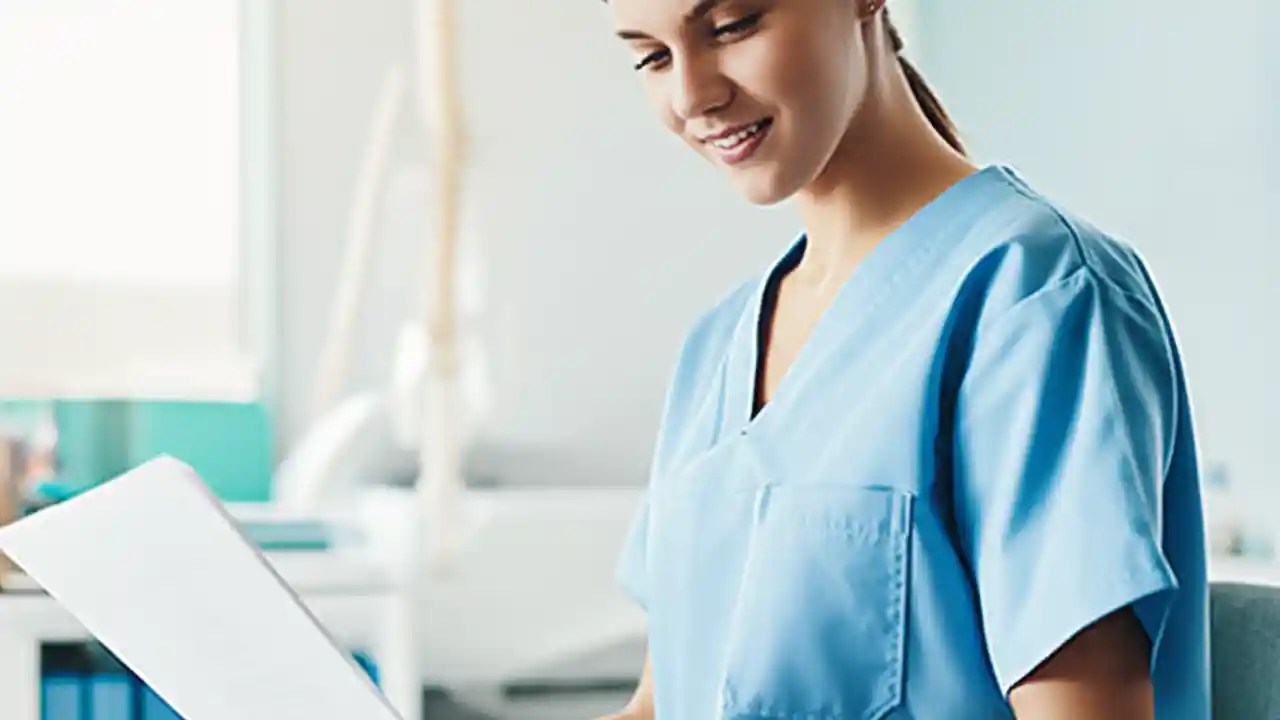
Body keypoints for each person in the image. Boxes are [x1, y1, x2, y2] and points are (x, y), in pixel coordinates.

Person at [596, 0, 1209, 718]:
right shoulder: (716, 346)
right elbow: (662, 700)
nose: (692, 95)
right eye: (652, 58)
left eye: (732, 27)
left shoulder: (1036, 295)